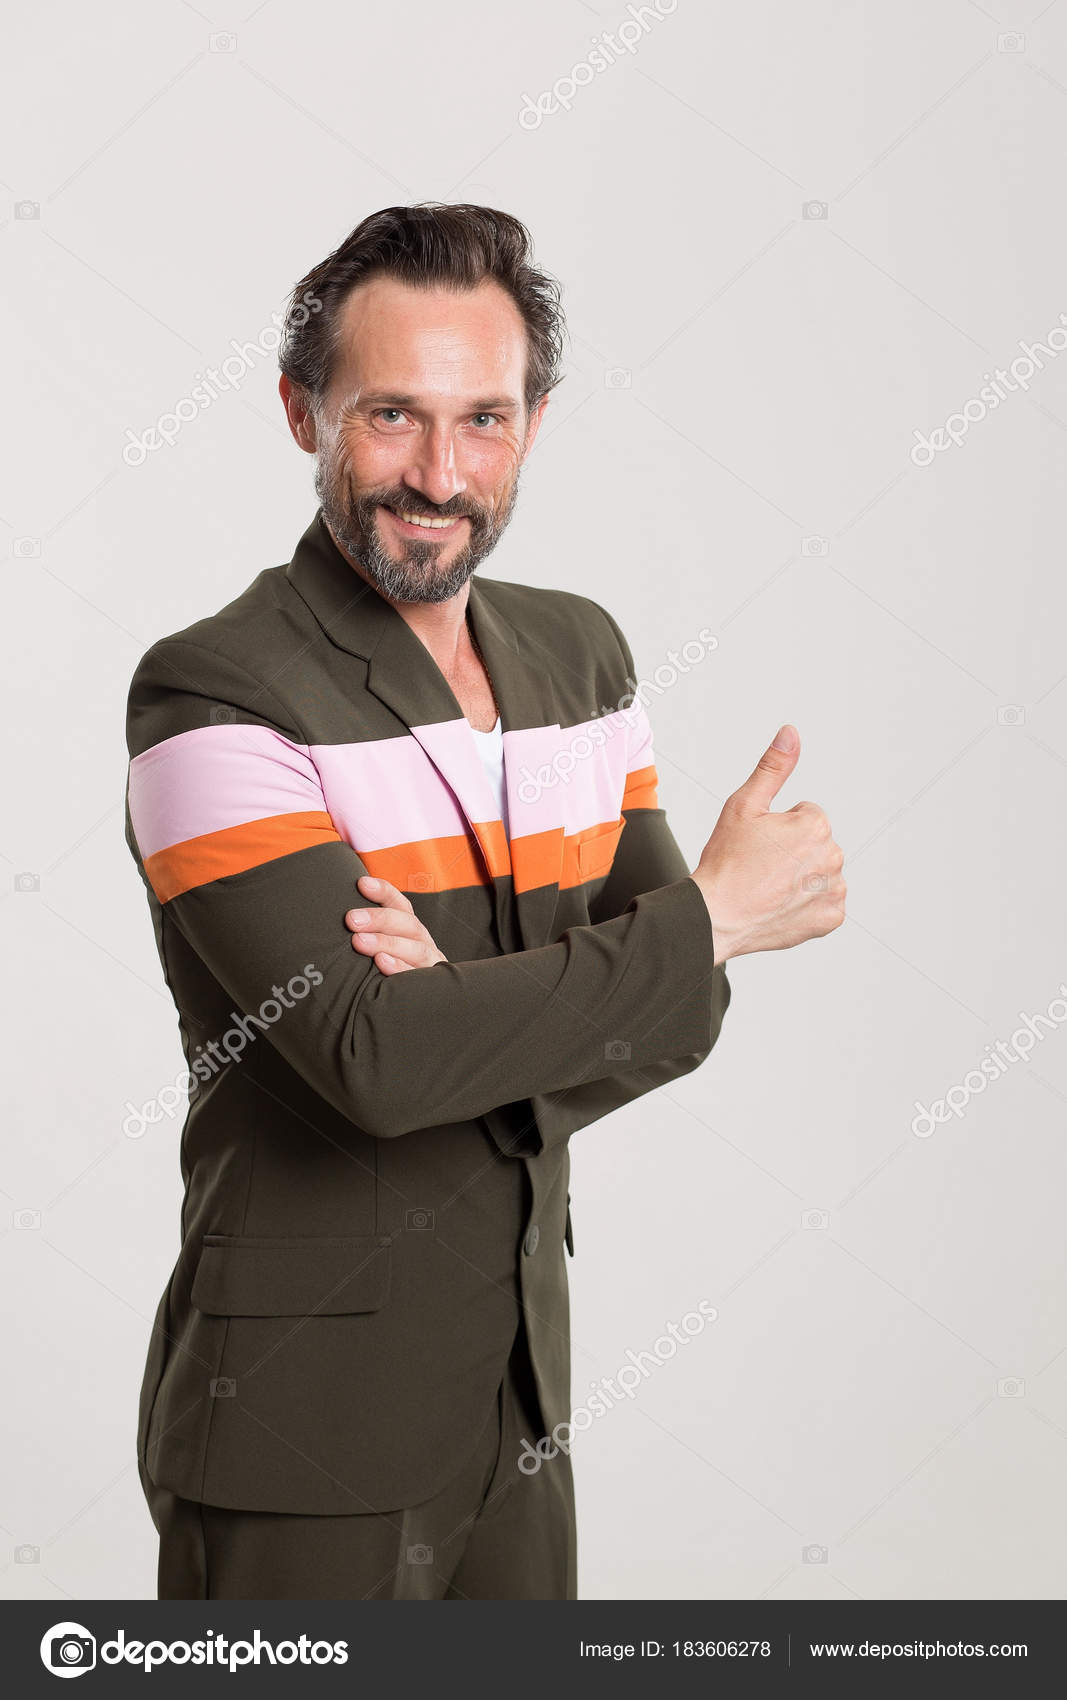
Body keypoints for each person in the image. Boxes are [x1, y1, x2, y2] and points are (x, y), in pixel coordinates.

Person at [124, 203, 845, 1600]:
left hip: (521, 1407)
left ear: (536, 422)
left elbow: (673, 1022)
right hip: (301, 1428)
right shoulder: (214, 689)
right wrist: (705, 921)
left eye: (485, 419)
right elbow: (366, 1058)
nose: (439, 473)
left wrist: (466, 1004)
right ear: (302, 411)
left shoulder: (581, 657)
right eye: (391, 415)